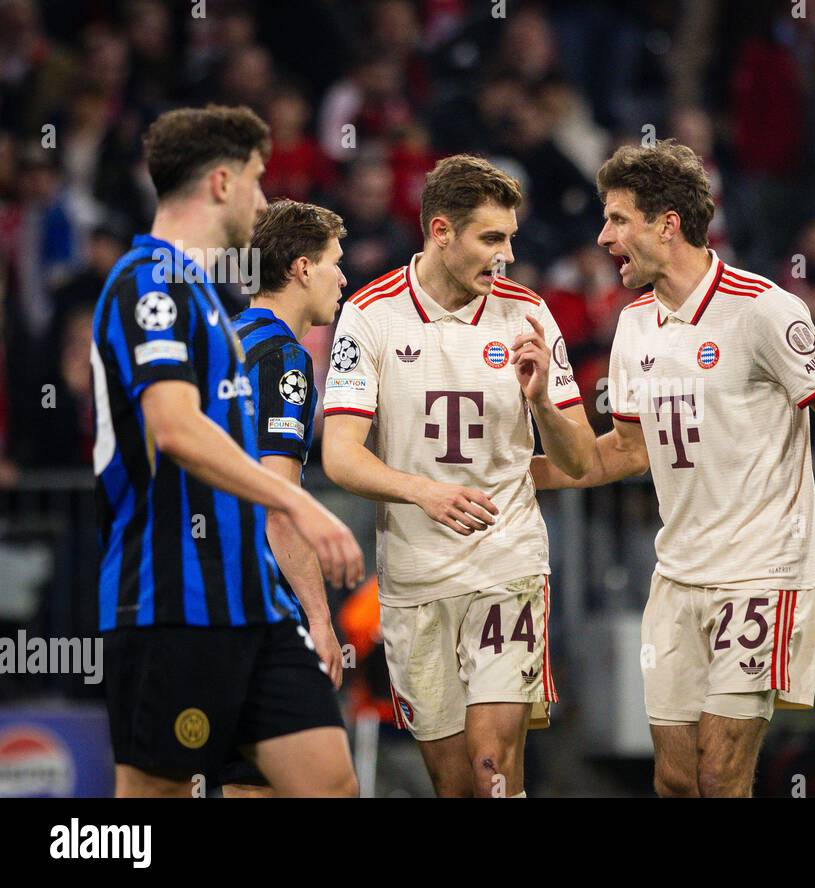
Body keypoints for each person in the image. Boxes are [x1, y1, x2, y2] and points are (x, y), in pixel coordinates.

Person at [530, 141, 815, 798]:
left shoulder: (762, 309)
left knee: (722, 772)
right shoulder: (634, 326)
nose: (604, 238)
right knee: (676, 778)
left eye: (618, 220)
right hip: (679, 576)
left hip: (761, 573)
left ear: (668, 223)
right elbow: (626, 452)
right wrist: (520, 473)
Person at [92, 105, 364, 798]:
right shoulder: (146, 283)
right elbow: (175, 430)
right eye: (256, 179)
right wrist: (302, 508)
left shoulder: (214, 303)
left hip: (253, 604)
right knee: (153, 799)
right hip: (173, 598)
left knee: (329, 784)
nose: (264, 200)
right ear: (220, 183)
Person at [322, 155, 596, 798]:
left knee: (492, 768)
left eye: (510, 240)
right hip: (414, 578)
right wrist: (426, 492)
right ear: (440, 231)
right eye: (490, 239)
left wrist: (543, 405)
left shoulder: (528, 314)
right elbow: (339, 454)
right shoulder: (370, 315)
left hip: (507, 562)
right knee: (453, 785)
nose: (504, 257)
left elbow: (580, 460)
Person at [220, 198, 352, 797]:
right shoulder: (284, 361)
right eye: (334, 262)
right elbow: (280, 505)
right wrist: (320, 621)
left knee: (253, 787)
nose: (343, 277)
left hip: (200, 599)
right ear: (301, 268)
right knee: (333, 788)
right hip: (257, 608)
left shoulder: (221, 343)